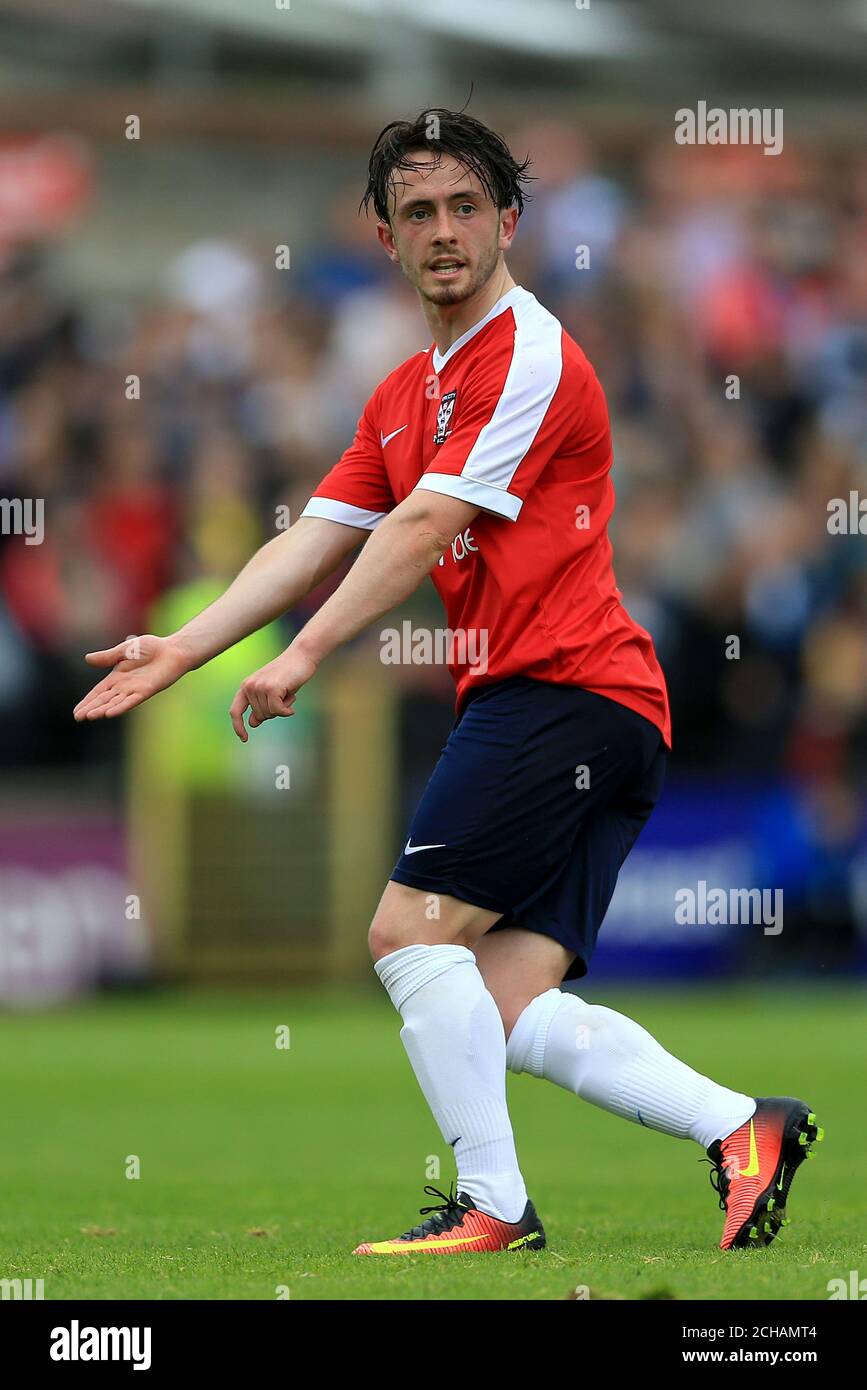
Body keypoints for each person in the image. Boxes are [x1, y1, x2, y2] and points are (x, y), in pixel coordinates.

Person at [74, 108, 822, 1256]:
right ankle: (743, 1128)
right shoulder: (404, 393)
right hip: (594, 707)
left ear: (509, 220)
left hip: (560, 691)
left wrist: (307, 653)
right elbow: (314, 536)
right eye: (417, 211)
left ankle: (495, 1205)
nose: (443, 230)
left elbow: (427, 523)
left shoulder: (527, 350)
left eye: (466, 206)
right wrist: (190, 645)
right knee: (505, 1005)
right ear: (382, 235)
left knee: (405, 934)